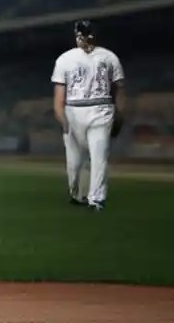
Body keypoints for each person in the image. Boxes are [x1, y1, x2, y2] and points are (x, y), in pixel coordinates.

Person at [52, 20, 125, 212]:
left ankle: (97, 199)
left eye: (85, 35)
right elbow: (59, 95)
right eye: (80, 35)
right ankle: (77, 194)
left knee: (99, 156)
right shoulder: (64, 60)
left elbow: (118, 89)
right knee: (75, 164)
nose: (83, 39)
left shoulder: (110, 57)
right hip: (73, 110)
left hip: (102, 109)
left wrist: (120, 115)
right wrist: (62, 119)